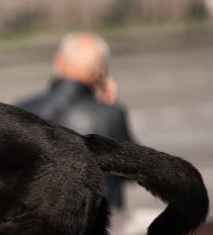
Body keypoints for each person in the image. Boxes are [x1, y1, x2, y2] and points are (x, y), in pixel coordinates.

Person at [17, 32, 136, 209]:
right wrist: (111, 105)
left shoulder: (21, 108)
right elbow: (134, 172)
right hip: (95, 225)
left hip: (37, 224)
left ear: (58, 61)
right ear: (101, 69)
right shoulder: (110, 114)